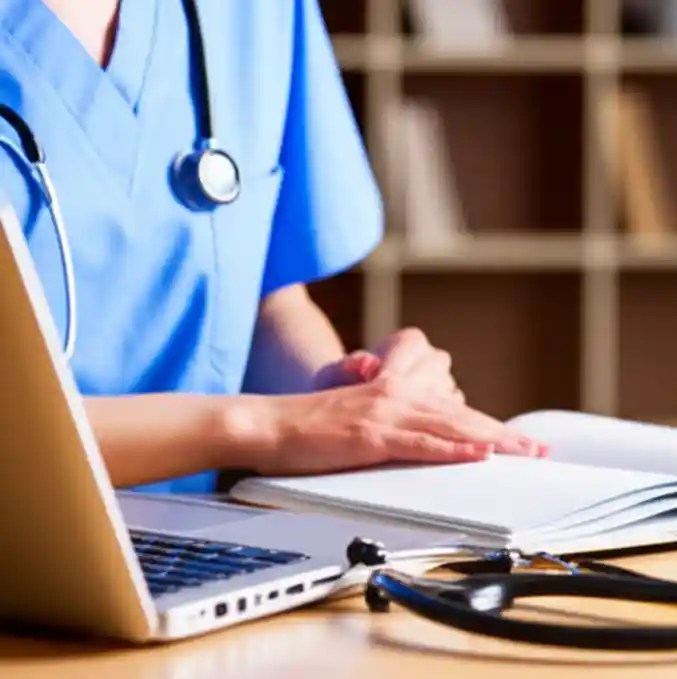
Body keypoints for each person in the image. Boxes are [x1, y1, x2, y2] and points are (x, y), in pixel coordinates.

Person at [0, 0, 547, 493]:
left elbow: (269, 306)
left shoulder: (257, 12)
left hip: (198, 551)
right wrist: (267, 427)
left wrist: (352, 400)